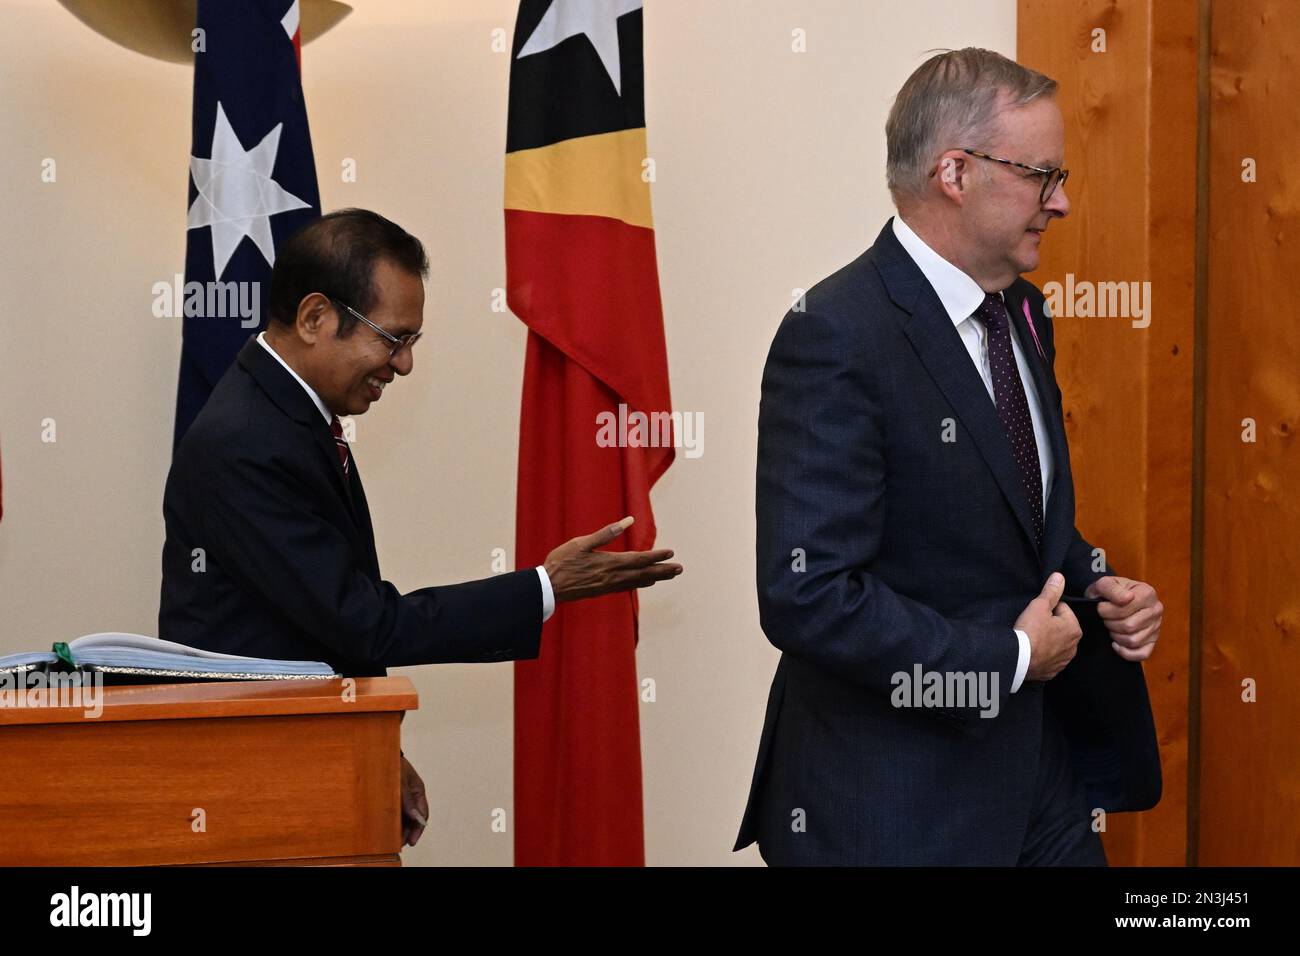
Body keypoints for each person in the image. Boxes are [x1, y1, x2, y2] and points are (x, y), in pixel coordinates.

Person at [735, 48, 1163, 865]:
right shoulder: (836, 333)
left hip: (1043, 783)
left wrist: (1099, 583)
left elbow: (1013, 517)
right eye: (1042, 175)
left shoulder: (1025, 313)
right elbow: (807, 594)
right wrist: (1008, 657)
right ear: (955, 172)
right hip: (894, 803)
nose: (1062, 201)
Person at [159, 208, 682, 847]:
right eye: (393, 338)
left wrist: (377, 740)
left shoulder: (288, 417)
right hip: (255, 790)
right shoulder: (246, 441)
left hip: (305, 758)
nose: (404, 365)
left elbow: (317, 628)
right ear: (315, 318)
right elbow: (363, 621)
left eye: (413, 342)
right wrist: (545, 586)